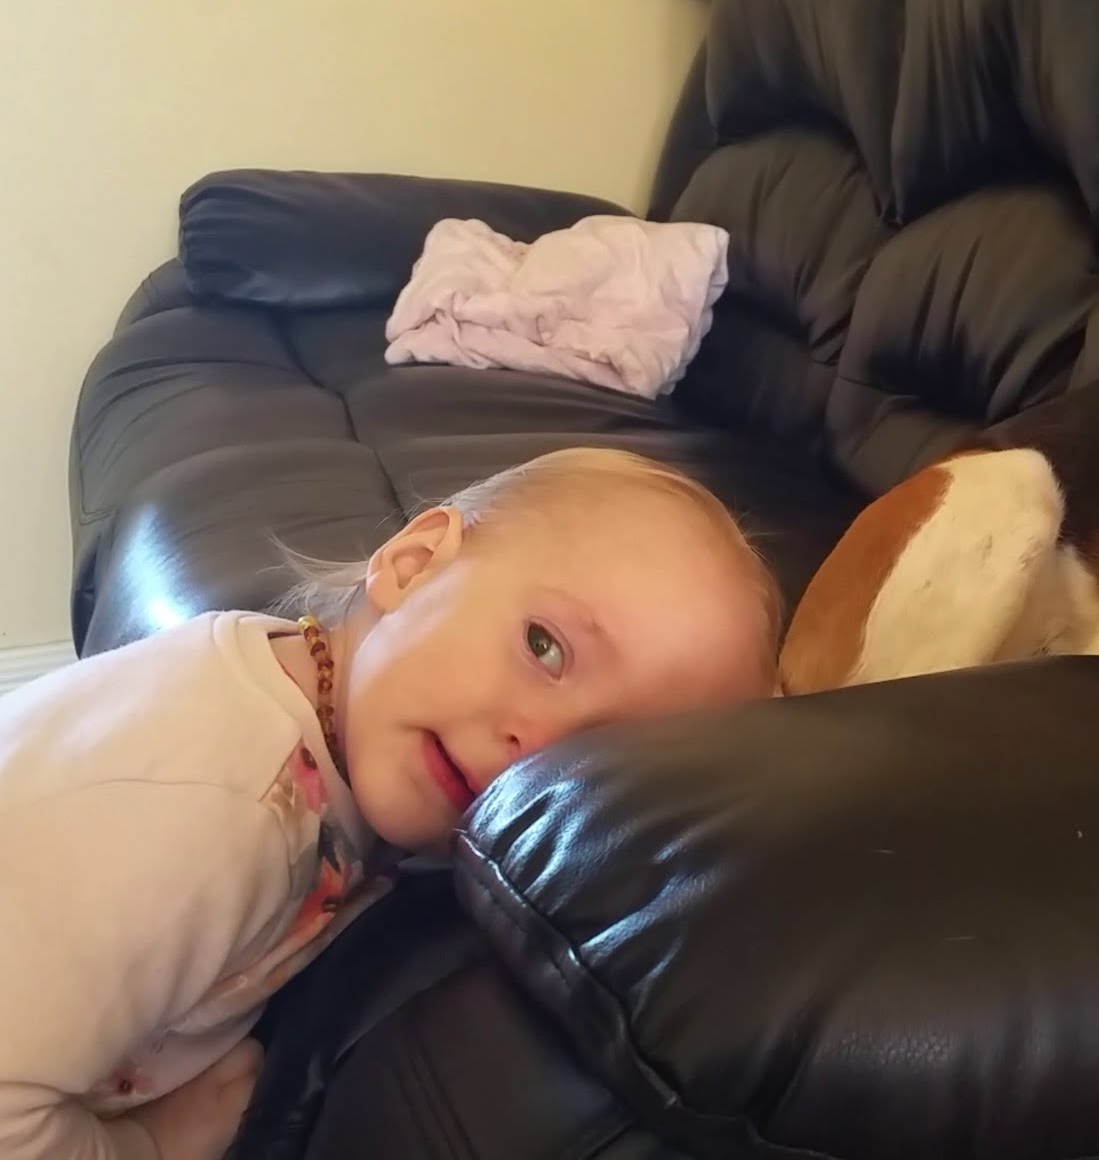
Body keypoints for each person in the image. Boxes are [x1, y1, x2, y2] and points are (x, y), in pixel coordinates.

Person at [0, 447, 782, 1160]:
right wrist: (154, 1142)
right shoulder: (220, 806)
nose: (538, 742)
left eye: (600, 753)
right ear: (412, 564)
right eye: (545, 646)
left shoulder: (300, 690)